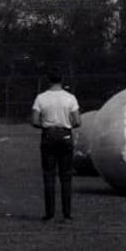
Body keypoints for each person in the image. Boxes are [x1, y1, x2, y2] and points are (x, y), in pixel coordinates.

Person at [31, 69, 81, 222]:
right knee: (66, 177)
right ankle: (67, 215)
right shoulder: (70, 98)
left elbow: (34, 121)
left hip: (48, 135)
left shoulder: (41, 98)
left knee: (49, 176)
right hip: (65, 135)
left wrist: (46, 125)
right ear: (62, 79)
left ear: (48, 79)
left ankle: (50, 214)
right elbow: (78, 121)